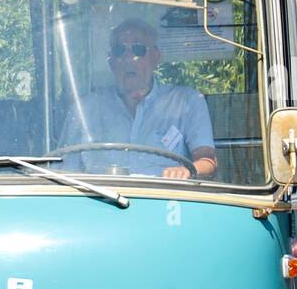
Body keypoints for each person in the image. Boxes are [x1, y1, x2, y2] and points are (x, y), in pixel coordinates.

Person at [60, 19, 218, 179]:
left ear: (156, 58)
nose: (129, 58)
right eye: (119, 50)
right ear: (111, 61)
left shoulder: (186, 102)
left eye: (138, 50)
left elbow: (207, 161)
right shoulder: (86, 109)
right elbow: (65, 170)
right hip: (100, 198)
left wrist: (187, 171)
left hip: (165, 199)